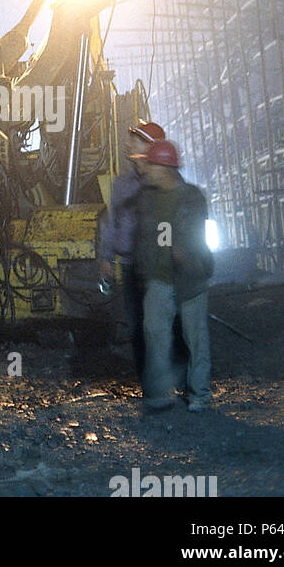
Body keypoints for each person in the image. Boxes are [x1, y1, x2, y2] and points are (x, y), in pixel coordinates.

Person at [130, 139, 214, 412]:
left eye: (151, 165)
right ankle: (159, 394)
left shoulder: (191, 197)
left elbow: (196, 236)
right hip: (159, 279)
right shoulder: (147, 198)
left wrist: (184, 254)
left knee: (195, 339)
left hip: (190, 279)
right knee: (155, 337)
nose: (146, 170)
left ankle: (199, 394)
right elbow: (143, 239)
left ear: (165, 168)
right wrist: (144, 272)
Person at [99, 118, 167, 381]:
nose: (128, 144)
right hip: (128, 264)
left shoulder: (163, 184)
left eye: (135, 140)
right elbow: (112, 222)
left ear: (150, 147)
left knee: (158, 321)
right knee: (136, 323)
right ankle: (148, 379)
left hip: (155, 264)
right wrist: (107, 258)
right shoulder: (122, 184)